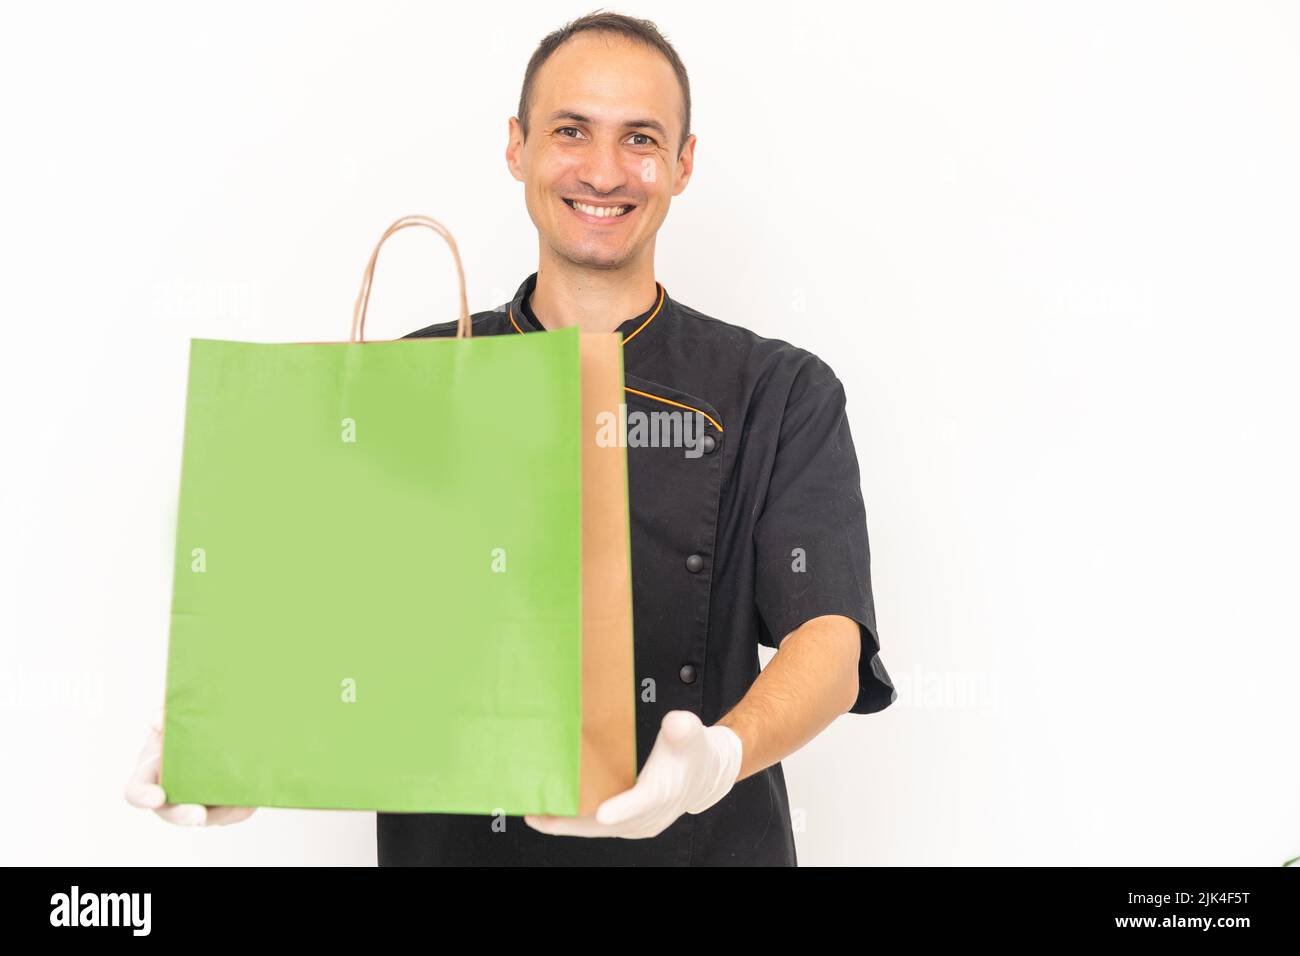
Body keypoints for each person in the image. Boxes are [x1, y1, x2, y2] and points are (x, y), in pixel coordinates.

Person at [126, 11, 896, 866]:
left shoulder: (778, 391)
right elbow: (341, 623)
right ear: (516, 147)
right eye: (571, 131)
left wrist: (718, 759)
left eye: (640, 138)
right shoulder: (409, 382)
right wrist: (236, 744)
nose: (604, 171)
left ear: (682, 164)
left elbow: (829, 639)